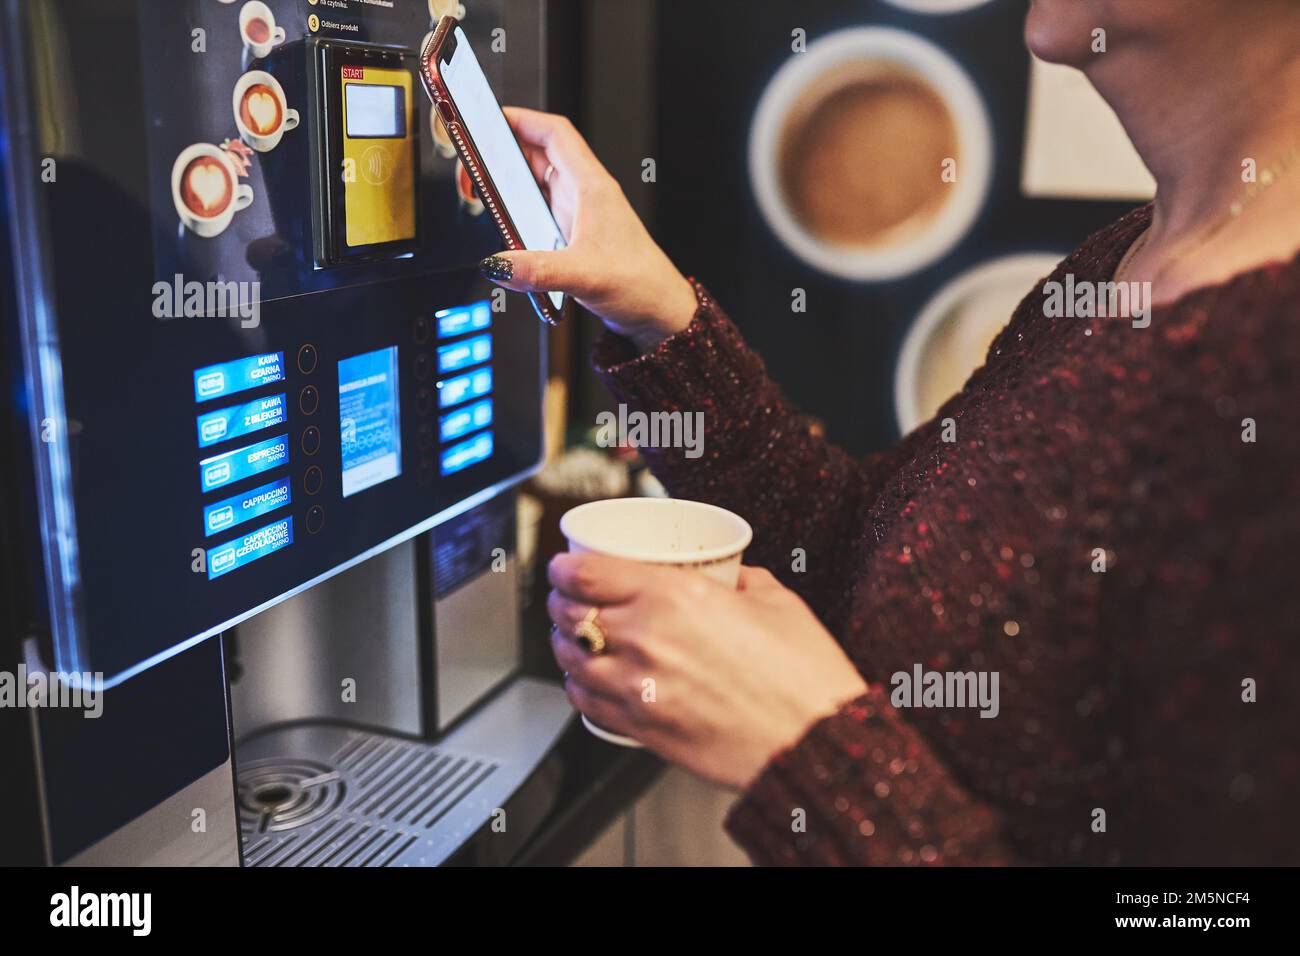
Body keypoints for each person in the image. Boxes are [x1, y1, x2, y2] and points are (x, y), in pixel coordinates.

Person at [480, 0, 1300, 865]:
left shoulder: (1270, 355)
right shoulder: (1132, 252)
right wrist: (658, 315)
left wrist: (809, 753)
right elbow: (860, 549)